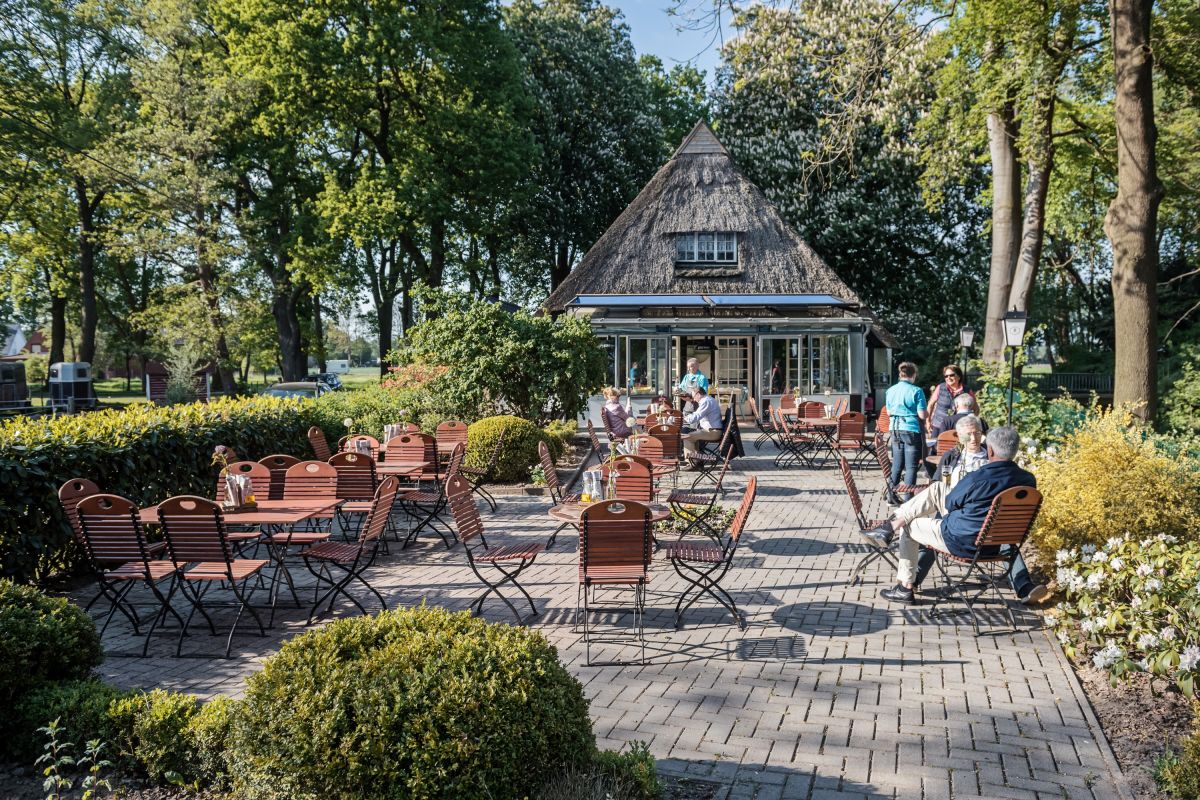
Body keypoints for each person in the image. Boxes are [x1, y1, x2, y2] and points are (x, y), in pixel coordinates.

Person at [861, 425, 1048, 606]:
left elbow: (951, 503)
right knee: (937, 488)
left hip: (962, 541)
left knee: (909, 525)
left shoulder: (978, 478)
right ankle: (891, 525)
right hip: (997, 541)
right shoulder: (1028, 480)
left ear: (990, 450)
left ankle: (905, 587)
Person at [885, 362, 927, 501]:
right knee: (911, 467)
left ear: (900, 374)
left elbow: (889, 412)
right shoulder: (917, 391)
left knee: (897, 465)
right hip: (910, 429)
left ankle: (891, 496)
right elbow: (922, 415)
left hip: (895, 429)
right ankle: (909, 499)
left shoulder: (890, 390)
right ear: (913, 375)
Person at [927, 365, 976, 437]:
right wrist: (928, 421)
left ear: (959, 376)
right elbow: (930, 405)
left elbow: (975, 408)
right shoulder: (940, 387)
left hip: (959, 428)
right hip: (938, 425)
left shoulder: (967, 390)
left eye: (951, 375)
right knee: (936, 444)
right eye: (946, 376)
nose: (948, 378)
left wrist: (972, 423)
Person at [681, 385, 722, 455]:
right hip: (711, 430)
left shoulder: (706, 401)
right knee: (692, 434)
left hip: (713, 432)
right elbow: (696, 414)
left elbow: (696, 416)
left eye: (693, 397)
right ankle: (696, 458)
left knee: (687, 437)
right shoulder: (708, 400)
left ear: (698, 394)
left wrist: (683, 419)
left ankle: (691, 460)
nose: (694, 399)